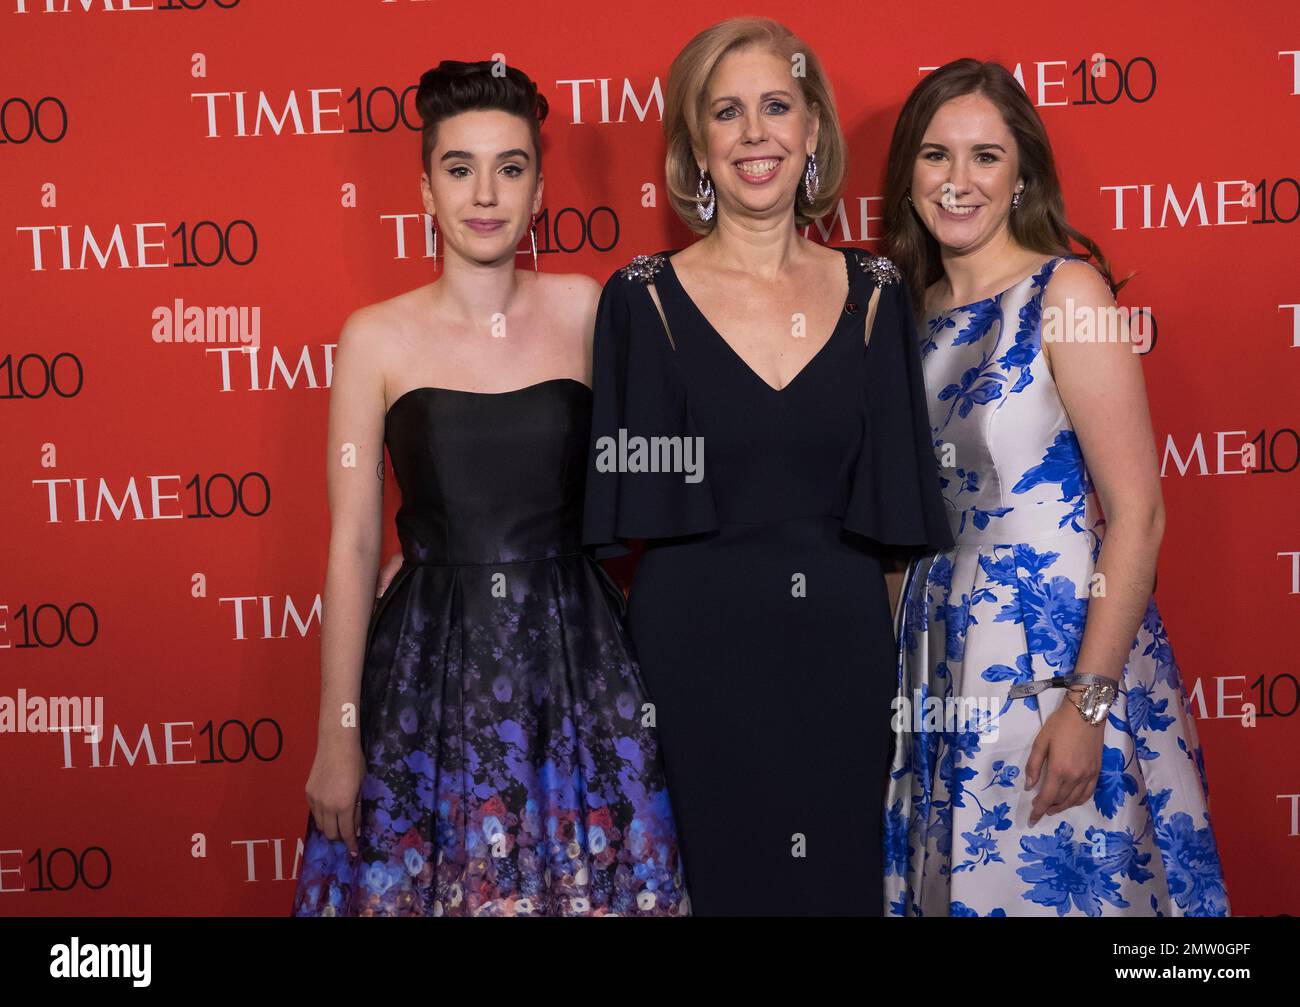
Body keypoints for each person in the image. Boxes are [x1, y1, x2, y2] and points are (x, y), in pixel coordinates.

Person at [292, 59, 686, 917]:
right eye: (458, 167)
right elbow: (355, 542)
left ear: (539, 189)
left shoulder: (590, 309)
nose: (484, 193)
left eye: (510, 168)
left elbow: (665, 469)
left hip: (578, 670)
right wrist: (338, 731)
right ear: (425, 189)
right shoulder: (375, 339)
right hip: (426, 675)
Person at [581, 17, 951, 915]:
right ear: (695, 146)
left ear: (813, 130)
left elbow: (900, 533)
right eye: (727, 112)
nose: (755, 134)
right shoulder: (639, 301)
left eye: (777, 107)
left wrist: (917, 702)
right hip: (691, 670)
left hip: (843, 660)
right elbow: (609, 534)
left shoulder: (877, 295)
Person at [881, 58, 1229, 917]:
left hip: (1055, 655)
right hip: (938, 657)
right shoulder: (904, 311)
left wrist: (1088, 704)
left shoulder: (1064, 291)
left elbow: (1139, 514)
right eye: (935, 156)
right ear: (908, 174)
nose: (958, 182)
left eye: (985, 157)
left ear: (1022, 173)